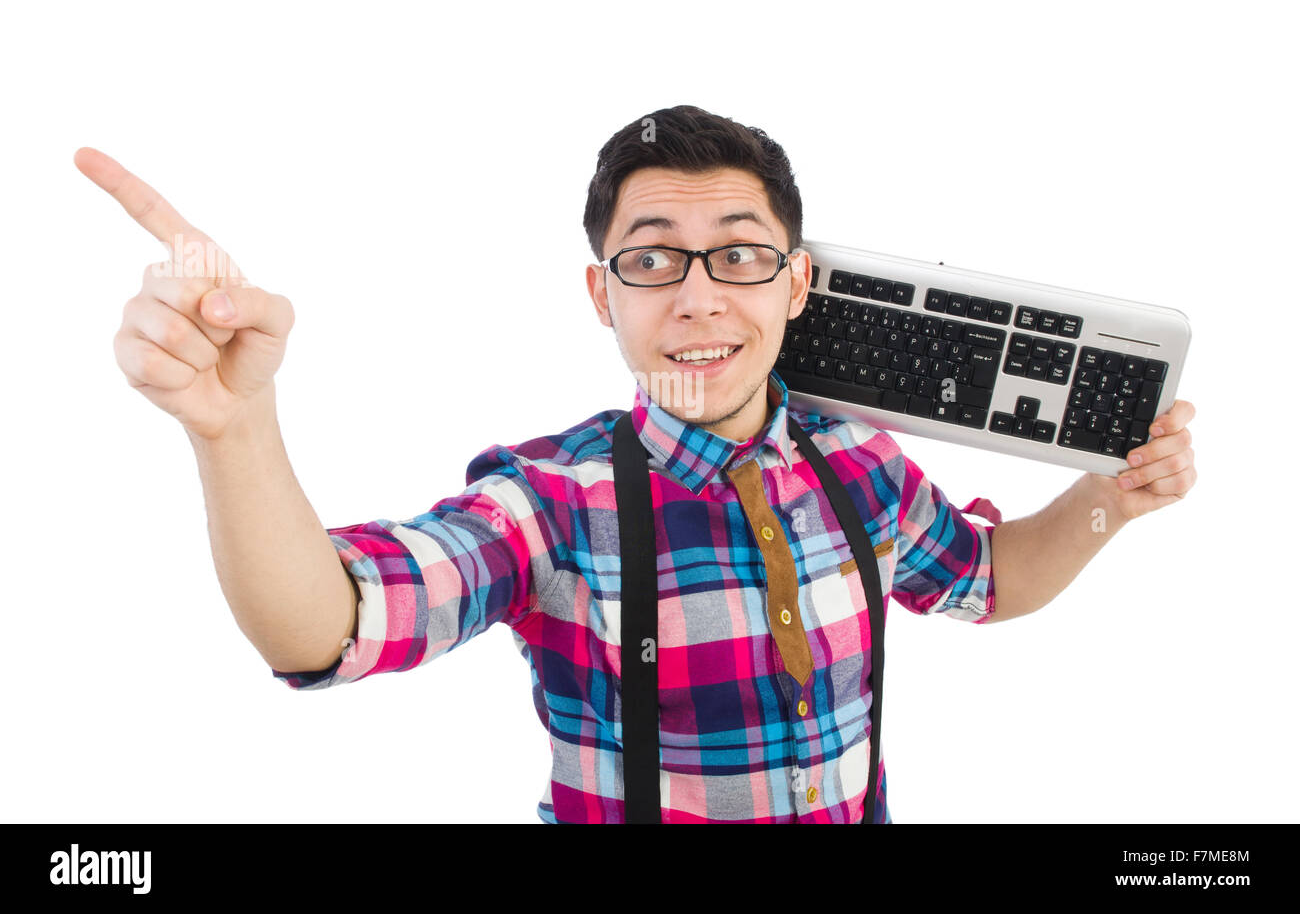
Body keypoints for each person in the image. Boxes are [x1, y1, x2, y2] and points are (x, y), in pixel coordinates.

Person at [76, 105, 1197, 823]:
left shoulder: (860, 460)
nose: (700, 298)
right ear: (601, 294)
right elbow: (329, 625)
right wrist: (234, 430)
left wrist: (1111, 501)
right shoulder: (553, 501)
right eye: (653, 261)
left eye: (740, 255)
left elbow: (990, 579)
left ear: (796, 283)